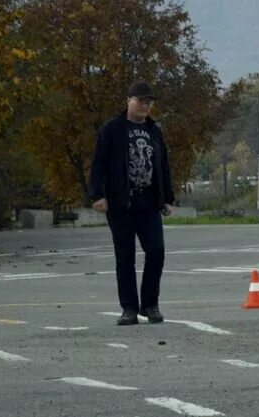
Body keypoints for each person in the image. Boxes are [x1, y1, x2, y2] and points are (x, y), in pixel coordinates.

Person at [89, 81, 175, 326]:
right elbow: (98, 164)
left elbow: (163, 165)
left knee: (156, 252)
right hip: (120, 204)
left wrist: (167, 198)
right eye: (141, 101)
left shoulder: (154, 131)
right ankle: (129, 308)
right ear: (129, 100)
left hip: (149, 203)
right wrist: (97, 195)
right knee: (125, 257)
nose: (145, 106)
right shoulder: (113, 129)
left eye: (149, 102)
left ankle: (150, 304)